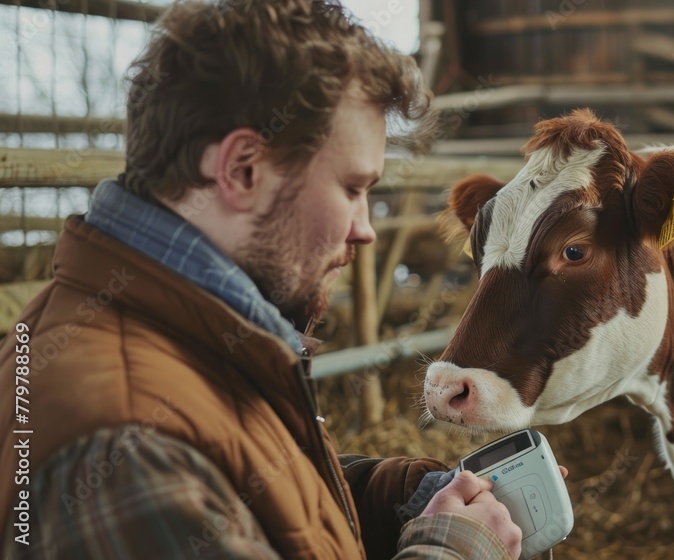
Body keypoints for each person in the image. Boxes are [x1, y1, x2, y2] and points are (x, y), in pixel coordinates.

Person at [0, 1, 523, 558]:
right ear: (242, 170)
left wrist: (398, 499)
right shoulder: (124, 452)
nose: (365, 229)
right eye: (351, 188)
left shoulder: (178, 345)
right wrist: (454, 549)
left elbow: (240, 505)